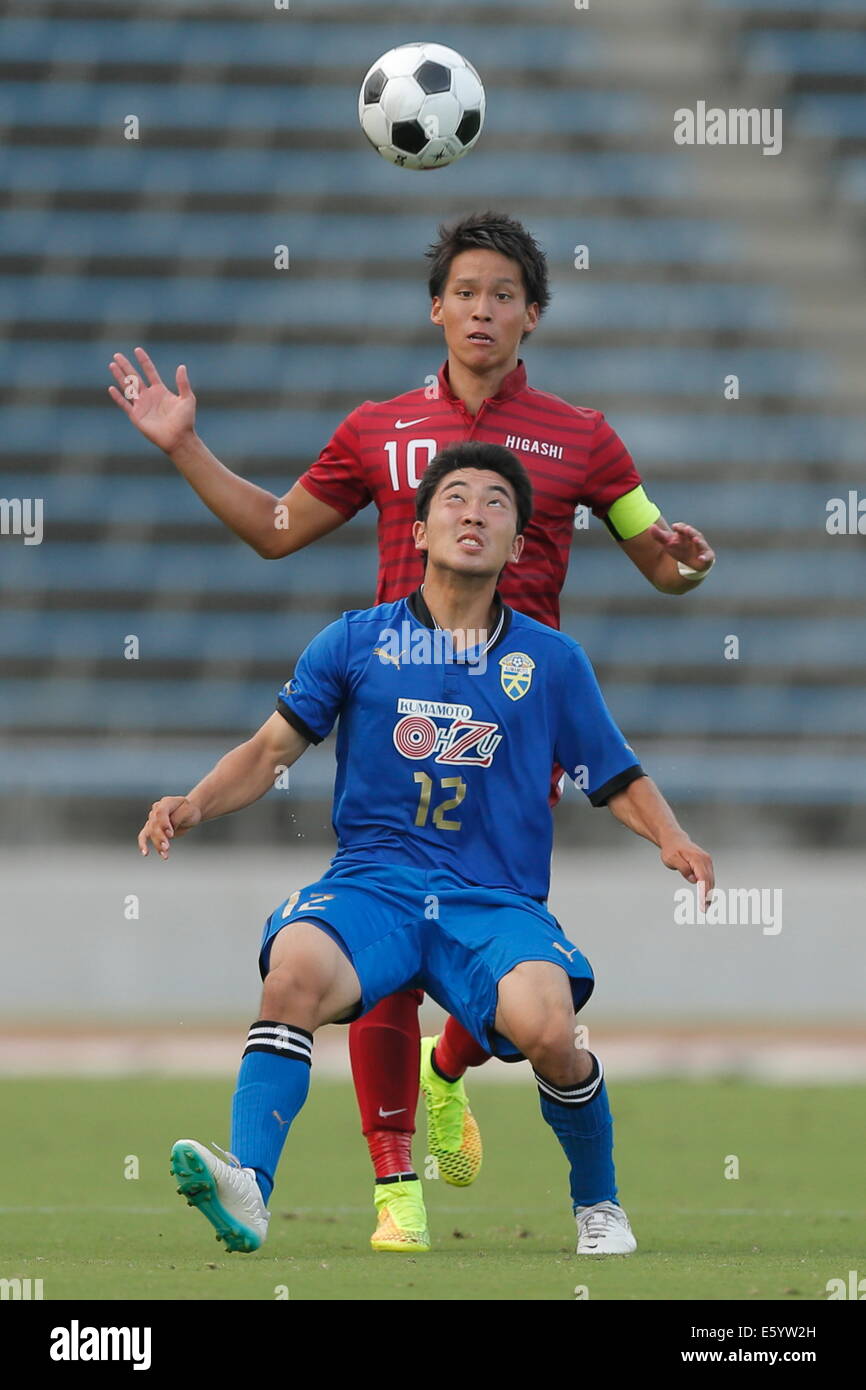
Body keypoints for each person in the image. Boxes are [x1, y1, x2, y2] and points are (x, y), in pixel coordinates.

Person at [111, 211, 716, 1253]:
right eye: (464, 292)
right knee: (359, 945)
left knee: (514, 1008)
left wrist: (684, 563)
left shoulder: (582, 437)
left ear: (532, 314)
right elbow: (274, 530)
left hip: (517, 720)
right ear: (436, 306)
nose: (482, 309)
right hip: (389, 704)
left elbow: (654, 555)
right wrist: (186, 446)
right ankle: (392, 1189)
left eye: (503, 295)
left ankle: (454, 1072)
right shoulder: (378, 431)